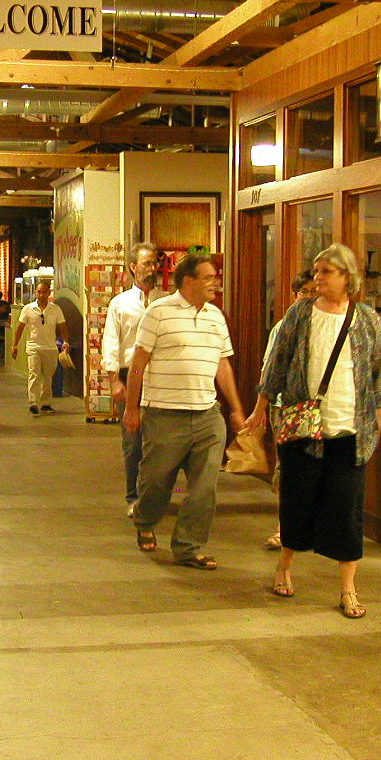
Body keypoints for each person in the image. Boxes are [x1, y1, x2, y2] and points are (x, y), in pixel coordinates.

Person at [247, 243, 381, 619]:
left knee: (347, 509)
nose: (318, 278)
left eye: (326, 271)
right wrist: (261, 409)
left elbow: (378, 375)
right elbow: (277, 364)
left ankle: (348, 588)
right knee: (297, 501)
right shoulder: (300, 313)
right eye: (316, 271)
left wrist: (376, 420)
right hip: (303, 427)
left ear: (347, 277)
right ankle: (285, 566)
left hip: (350, 430)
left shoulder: (367, 319)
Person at [123, 253, 245, 569]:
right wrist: (131, 409)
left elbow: (223, 364)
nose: (215, 283)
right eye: (208, 278)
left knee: (205, 487)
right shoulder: (159, 312)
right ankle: (145, 519)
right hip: (164, 414)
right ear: (188, 281)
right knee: (157, 482)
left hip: (207, 415)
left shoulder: (216, 317)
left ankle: (188, 546)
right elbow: (138, 364)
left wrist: (235, 409)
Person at [101, 242, 164, 515]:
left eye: (154, 263)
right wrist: (114, 380)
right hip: (129, 377)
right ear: (133, 267)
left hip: (159, 377)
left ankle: (158, 494)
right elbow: (111, 342)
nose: (152, 268)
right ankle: (134, 497)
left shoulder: (165, 301)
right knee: (133, 441)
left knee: (160, 441)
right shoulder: (120, 303)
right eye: (147, 263)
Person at [260, 271, 316, 551]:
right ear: (294, 296)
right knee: (288, 467)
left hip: (319, 407)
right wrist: (261, 406)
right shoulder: (284, 327)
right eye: (303, 292)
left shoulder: (328, 324)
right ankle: (285, 528)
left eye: (314, 291)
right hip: (286, 406)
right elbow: (270, 369)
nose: (309, 297)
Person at [11, 279, 68, 415]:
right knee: (34, 374)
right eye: (39, 292)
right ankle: (33, 403)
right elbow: (20, 327)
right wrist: (15, 345)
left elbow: (62, 326)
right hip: (33, 347)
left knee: (48, 377)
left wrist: (66, 341)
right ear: (35, 293)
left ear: (49, 293)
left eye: (44, 292)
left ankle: (46, 403)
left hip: (50, 348)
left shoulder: (55, 309)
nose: (41, 295)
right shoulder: (28, 309)